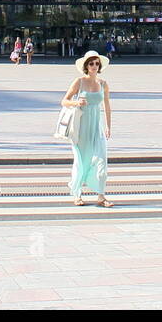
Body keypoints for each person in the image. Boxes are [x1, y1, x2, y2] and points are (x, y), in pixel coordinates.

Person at [61, 50, 113, 207]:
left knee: (102, 158)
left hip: (97, 125)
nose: (94, 66)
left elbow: (107, 106)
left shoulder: (103, 84)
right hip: (82, 125)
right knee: (81, 160)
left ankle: (101, 195)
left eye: (97, 63)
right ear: (86, 66)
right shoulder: (79, 82)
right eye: (91, 63)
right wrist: (77, 103)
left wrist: (108, 126)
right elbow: (64, 101)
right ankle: (77, 193)